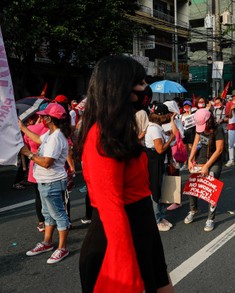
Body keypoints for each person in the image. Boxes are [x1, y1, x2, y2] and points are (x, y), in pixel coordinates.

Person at [76, 56, 173, 292]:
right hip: (115, 243)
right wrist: (125, 268)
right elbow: (110, 207)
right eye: (140, 82)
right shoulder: (100, 136)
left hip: (143, 230)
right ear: (119, 88)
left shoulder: (122, 129)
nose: (145, 88)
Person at [19, 103, 71, 264]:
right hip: (45, 182)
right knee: (48, 214)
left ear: (50, 118)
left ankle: (62, 248)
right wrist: (23, 128)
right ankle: (47, 243)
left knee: (59, 215)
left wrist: (28, 154)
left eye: (43, 115)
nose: (40, 118)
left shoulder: (56, 138)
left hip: (52, 182)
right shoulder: (50, 134)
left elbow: (47, 162)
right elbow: (38, 139)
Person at [185, 108, 225, 231]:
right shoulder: (199, 128)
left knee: (211, 187)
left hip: (214, 160)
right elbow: (196, 143)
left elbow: (219, 150)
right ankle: (193, 210)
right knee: (193, 184)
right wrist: (190, 159)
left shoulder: (218, 129)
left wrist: (207, 166)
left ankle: (210, 219)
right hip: (201, 158)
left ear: (208, 121)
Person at [145, 103, 177, 232]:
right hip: (154, 163)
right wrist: (170, 139)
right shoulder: (154, 129)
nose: (169, 116)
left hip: (159, 162)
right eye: (167, 114)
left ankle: (160, 216)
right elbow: (159, 149)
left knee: (162, 189)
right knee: (156, 190)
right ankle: (156, 219)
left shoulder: (157, 127)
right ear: (162, 116)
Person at [23, 110, 49, 232]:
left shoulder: (29, 130)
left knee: (38, 196)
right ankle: (61, 221)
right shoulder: (50, 128)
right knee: (55, 195)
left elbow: (26, 145)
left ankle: (41, 222)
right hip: (49, 164)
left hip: (34, 164)